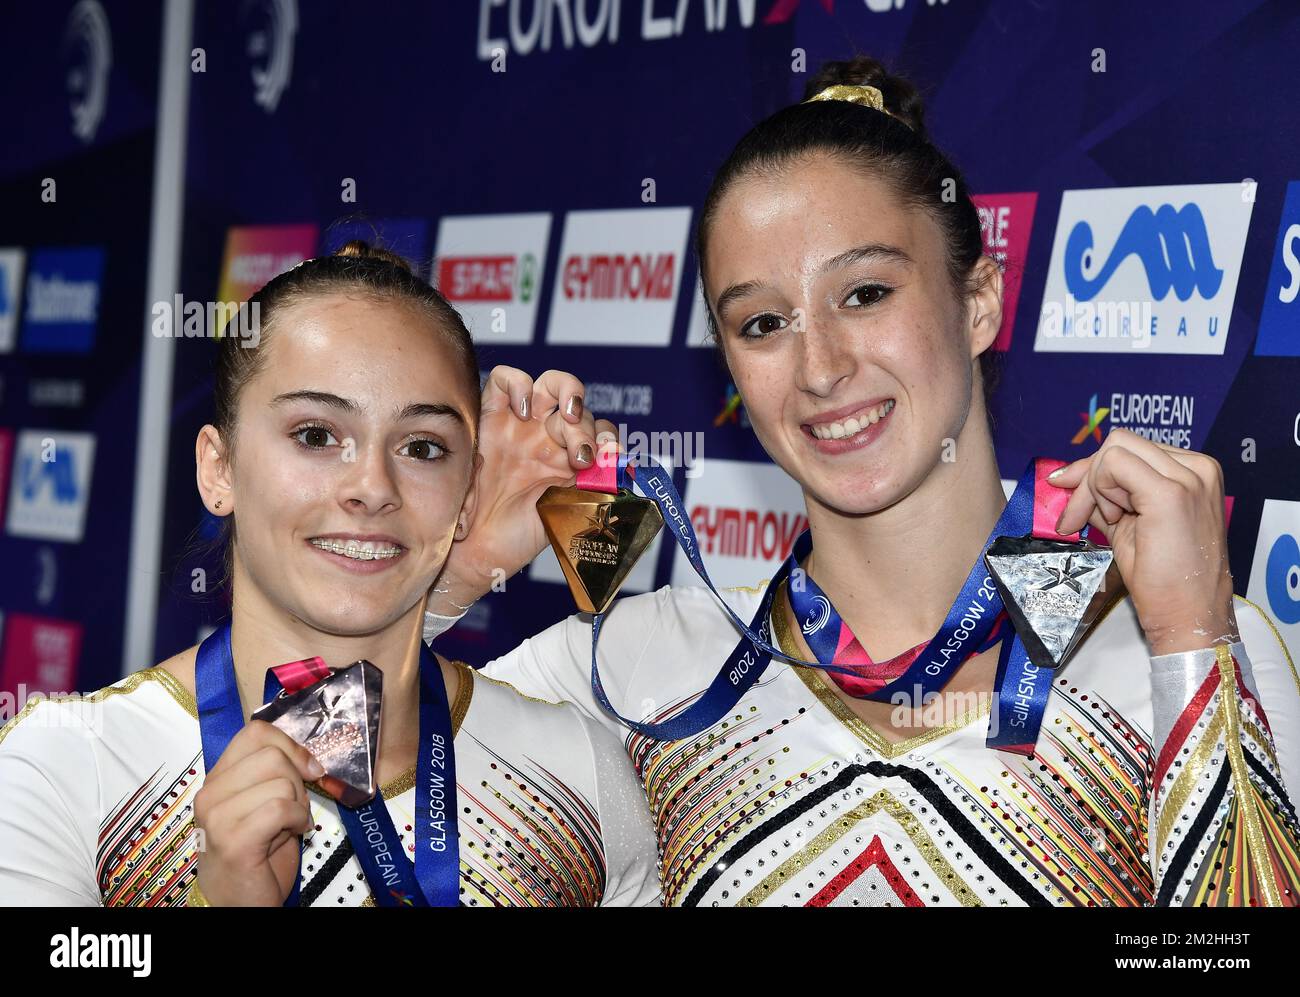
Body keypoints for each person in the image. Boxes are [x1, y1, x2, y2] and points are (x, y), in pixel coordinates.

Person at [428, 58, 1300, 907]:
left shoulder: (1185, 649)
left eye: (866, 292)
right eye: (764, 321)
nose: (820, 367)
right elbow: (326, 788)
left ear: (979, 302)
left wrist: (1191, 637)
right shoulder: (639, 666)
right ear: (729, 363)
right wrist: (455, 569)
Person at [0, 243, 662, 907]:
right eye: (316, 434)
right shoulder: (66, 769)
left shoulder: (580, 777)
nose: (373, 486)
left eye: (424, 447)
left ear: (467, 495)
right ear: (218, 468)